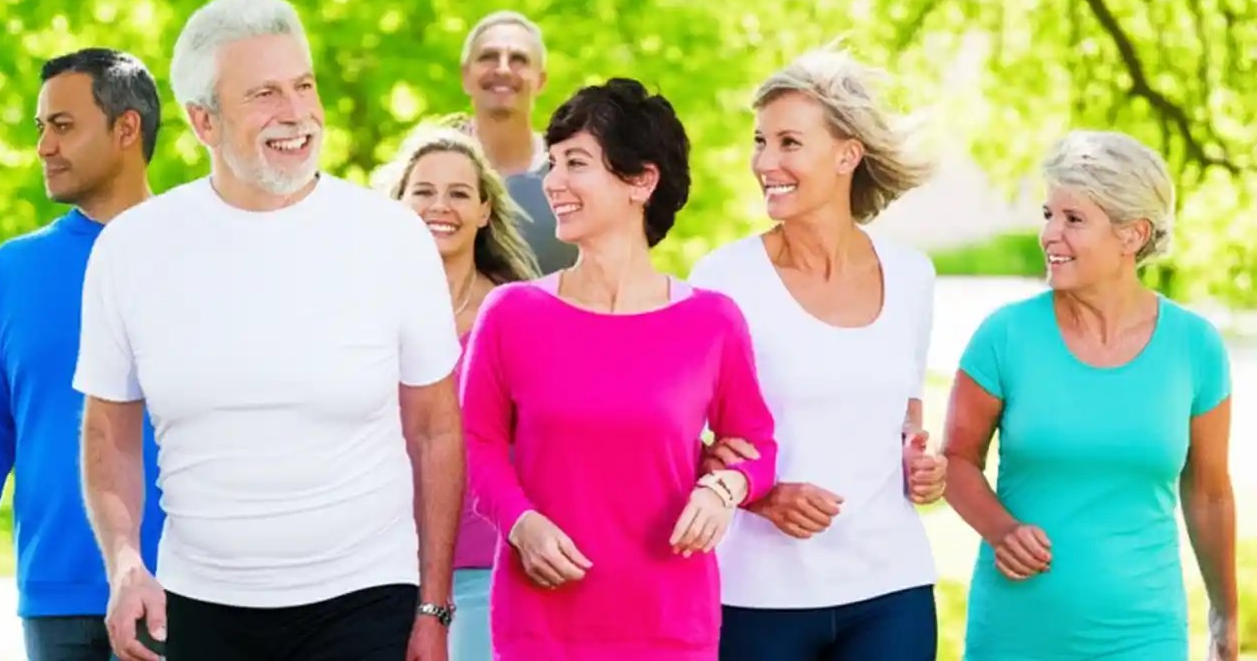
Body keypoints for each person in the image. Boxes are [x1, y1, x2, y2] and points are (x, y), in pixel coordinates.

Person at [74, 0, 463, 661]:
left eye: (303, 85)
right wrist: (125, 562)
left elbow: (435, 429)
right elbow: (107, 430)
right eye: (263, 94)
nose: (296, 114)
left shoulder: (391, 237)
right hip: (198, 606)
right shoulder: (131, 249)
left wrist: (432, 606)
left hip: (367, 598)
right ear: (203, 122)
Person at [459, 78, 778, 660]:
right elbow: (478, 443)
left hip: (670, 623)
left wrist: (722, 489)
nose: (552, 182)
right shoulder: (511, 314)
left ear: (641, 180)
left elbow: (754, 444)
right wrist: (521, 523)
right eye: (551, 163)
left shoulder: (712, 321)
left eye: (575, 163)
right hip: (541, 623)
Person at [690, 47, 949, 661]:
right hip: (757, 594)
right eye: (760, 142)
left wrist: (924, 467)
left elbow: (906, 422)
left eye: (788, 143)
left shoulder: (912, 275)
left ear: (846, 155)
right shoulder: (724, 279)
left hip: (892, 588)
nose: (765, 163)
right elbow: (673, 436)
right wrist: (761, 493)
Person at [942, 130, 1238, 660]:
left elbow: (1210, 493)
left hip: (1143, 636)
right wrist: (1001, 528)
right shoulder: (1005, 336)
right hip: (1016, 633)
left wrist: (1225, 614)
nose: (1050, 235)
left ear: (1132, 234)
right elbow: (958, 460)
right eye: (1048, 214)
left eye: (1073, 220)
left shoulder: (1195, 347)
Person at [0, 48, 164, 661]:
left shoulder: (200, 256)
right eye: (40, 128)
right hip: (54, 597)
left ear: (126, 129)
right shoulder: (11, 272)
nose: (43, 147)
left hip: (182, 588)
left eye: (63, 126)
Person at [374, 124, 539, 661]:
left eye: (459, 193)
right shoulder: (362, 309)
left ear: (486, 210)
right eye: (422, 191)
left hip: (485, 570)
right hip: (378, 570)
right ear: (398, 204)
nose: (439, 206)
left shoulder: (518, 313)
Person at [458, 10, 577, 273]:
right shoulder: (430, 167)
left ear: (541, 80)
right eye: (488, 57)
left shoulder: (571, 173)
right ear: (466, 76)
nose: (502, 69)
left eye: (518, 59)